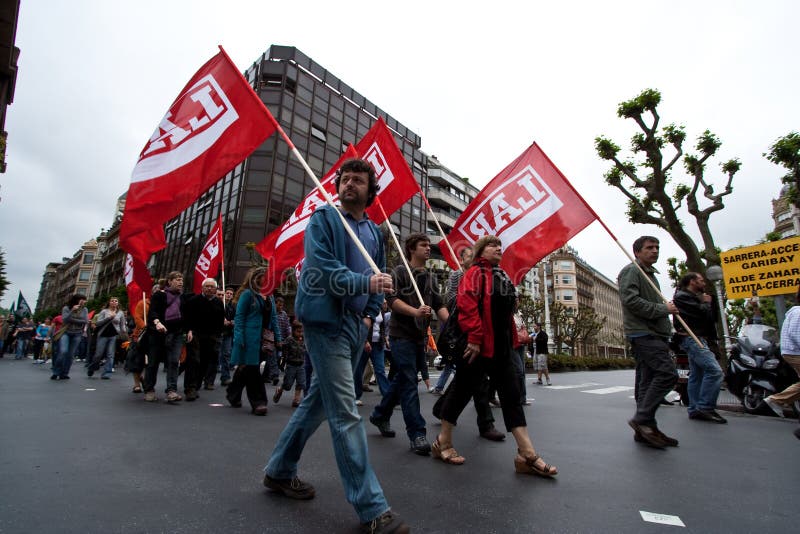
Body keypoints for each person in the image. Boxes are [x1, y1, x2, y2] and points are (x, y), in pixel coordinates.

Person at [263, 158, 408, 534]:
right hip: (325, 323)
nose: (349, 184)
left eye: (358, 180)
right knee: (345, 413)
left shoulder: (374, 232)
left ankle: (279, 470)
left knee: (315, 404)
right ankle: (372, 509)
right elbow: (322, 269)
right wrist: (366, 286)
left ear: (370, 190)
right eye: (345, 179)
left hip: (355, 326)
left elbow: (380, 276)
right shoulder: (324, 219)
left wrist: (368, 316)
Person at [434, 236, 557, 476]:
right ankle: (443, 442)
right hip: (476, 346)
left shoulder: (501, 275)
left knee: (511, 395)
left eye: (500, 246)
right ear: (481, 250)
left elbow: (507, 312)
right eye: (492, 245)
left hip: (501, 347)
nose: (498, 248)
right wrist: (474, 338)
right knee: (461, 392)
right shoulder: (474, 273)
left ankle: (526, 454)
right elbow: (467, 306)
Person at [370, 233, 447, 456]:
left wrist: (453, 324)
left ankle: (380, 414)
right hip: (400, 335)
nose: (428, 248)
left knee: (403, 379)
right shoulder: (400, 272)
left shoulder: (430, 277)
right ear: (412, 249)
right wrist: (415, 311)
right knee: (409, 381)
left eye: (429, 245)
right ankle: (417, 433)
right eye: (423, 245)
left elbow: (439, 305)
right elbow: (392, 301)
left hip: (419, 336)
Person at [618, 236, 679, 448]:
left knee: (647, 380)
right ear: (637, 252)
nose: (654, 251)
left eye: (657, 247)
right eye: (649, 247)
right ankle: (642, 419)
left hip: (653, 333)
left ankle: (647, 429)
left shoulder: (648, 273)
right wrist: (664, 309)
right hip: (643, 333)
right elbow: (630, 301)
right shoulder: (632, 271)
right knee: (668, 374)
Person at [673, 272, 726, 424]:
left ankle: (695, 408)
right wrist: (706, 303)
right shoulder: (682, 297)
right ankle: (705, 407)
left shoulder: (696, 297)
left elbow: (712, 318)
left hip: (699, 337)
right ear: (692, 281)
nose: (704, 283)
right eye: (701, 280)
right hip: (692, 338)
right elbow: (700, 314)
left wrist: (709, 303)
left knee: (697, 374)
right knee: (715, 371)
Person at [227, 267, 280, 415]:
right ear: (256, 278)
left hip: (265, 339)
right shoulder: (247, 294)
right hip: (249, 338)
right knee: (253, 369)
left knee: (246, 367)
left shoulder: (270, 296)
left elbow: (274, 318)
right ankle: (259, 402)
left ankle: (232, 393)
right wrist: (239, 337)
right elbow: (239, 317)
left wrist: (278, 338)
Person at [144, 272, 188, 403]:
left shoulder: (183, 297)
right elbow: (153, 312)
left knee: (174, 362)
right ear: (169, 281)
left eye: (181, 280)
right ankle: (149, 390)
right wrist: (157, 322)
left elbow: (186, 315)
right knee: (153, 362)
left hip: (177, 334)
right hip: (159, 334)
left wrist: (189, 330)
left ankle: (171, 390)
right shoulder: (159, 295)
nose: (180, 282)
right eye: (177, 280)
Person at [764, 286, 800, 440]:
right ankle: (776, 400)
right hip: (795, 352)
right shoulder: (798, 312)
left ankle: (776, 401)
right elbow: (796, 334)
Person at [183, 278, 225, 399]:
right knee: (193, 361)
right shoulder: (193, 301)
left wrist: (218, 335)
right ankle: (190, 388)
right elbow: (187, 317)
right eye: (207, 286)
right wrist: (189, 330)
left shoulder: (218, 303)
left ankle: (196, 386)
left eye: (212, 286)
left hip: (211, 337)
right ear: (202, 288)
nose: (209, 288)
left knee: (204, 362)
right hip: (195, 334)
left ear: (216, 289)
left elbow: (220, 320)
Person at [87, 297, 127, 379]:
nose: (114, 302)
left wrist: (123, 331)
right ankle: (92, 367)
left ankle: (107, 373)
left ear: (118, 303)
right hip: (103, 334)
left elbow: (122, 324)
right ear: (109, 303)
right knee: (98, 354)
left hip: (113, 335)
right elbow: (98, 323)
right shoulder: (104, 311)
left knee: (110, 354)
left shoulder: (120, 313)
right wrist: (109, 318)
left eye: (116, 301)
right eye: (112, 301)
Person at [52, 294, 88, 380]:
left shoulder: (85, 309)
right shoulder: (66, 308)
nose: (84, 301)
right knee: (63, 351)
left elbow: (85, 321)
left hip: (77, 333)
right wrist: (72, 311)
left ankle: (64, 373)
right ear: (77, 300)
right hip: (66, 332)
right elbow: (65, 319)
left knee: (71, 354)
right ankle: (56, 372)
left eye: (84, 300)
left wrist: (72, 320)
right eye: (82, 299)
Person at [273, 321, 306, 408]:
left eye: (302, 331)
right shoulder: (289, 340)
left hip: (301, 364)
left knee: (301, 382)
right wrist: (284, 358)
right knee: (287, 385)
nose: (300, 334)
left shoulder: (304, 339)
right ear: (293, 331)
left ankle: (296, 399)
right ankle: (279, 390)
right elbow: (283, 348)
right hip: (291, 365)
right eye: (298, 331)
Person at [218, 287, 235, 386]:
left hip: (228, 333)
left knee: (226, 354)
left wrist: (233, 321)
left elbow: (236, 317)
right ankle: (208, 378)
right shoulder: (218, 304)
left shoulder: (233, 306)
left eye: (230, 294)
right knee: (215, 354)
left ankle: (225, 377)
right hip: (218, 332)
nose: (228, 295)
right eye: (227, 293)